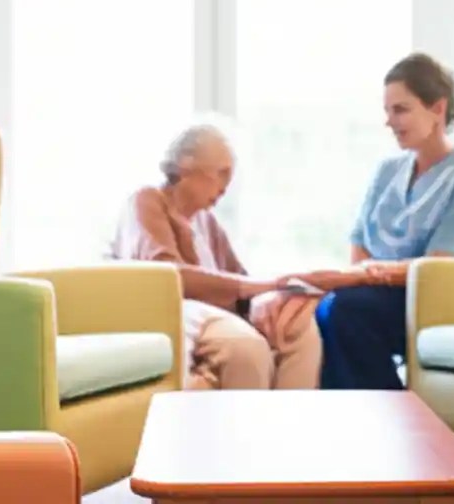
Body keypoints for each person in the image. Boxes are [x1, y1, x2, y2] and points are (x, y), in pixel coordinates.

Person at [305, 53, 454, 389]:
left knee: (346, 312)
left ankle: (392, 415)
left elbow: (440, 266)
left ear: (437, 109)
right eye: (387, 111)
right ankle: (370, 414)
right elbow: (359, 243)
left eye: (400, 109)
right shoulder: (387, 171)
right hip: (373, 293)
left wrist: (373, 274)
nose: (389, 121)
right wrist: (364, 274)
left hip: (429, 299)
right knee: (322, 309)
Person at [110, 121, 322, 390]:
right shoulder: (148, 200)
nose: (225, 186)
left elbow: (239, 279)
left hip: (219, 318)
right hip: (179, 314)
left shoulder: (206, 222)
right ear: (186, 167)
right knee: (248, 349)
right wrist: (254, 287)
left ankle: (289, 427)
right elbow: (164, 273)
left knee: (299, 330)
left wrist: (269, 299)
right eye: (221, 173)